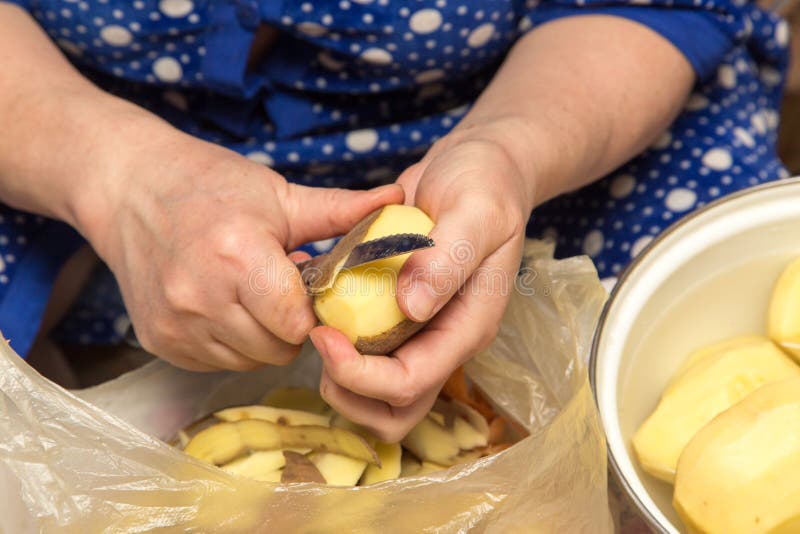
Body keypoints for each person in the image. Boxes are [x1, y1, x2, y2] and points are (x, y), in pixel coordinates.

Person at [0, 0, 788, 441]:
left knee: (686, 341)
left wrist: (508, 152)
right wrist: (115, 176)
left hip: (517, 102)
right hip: (56, 109)